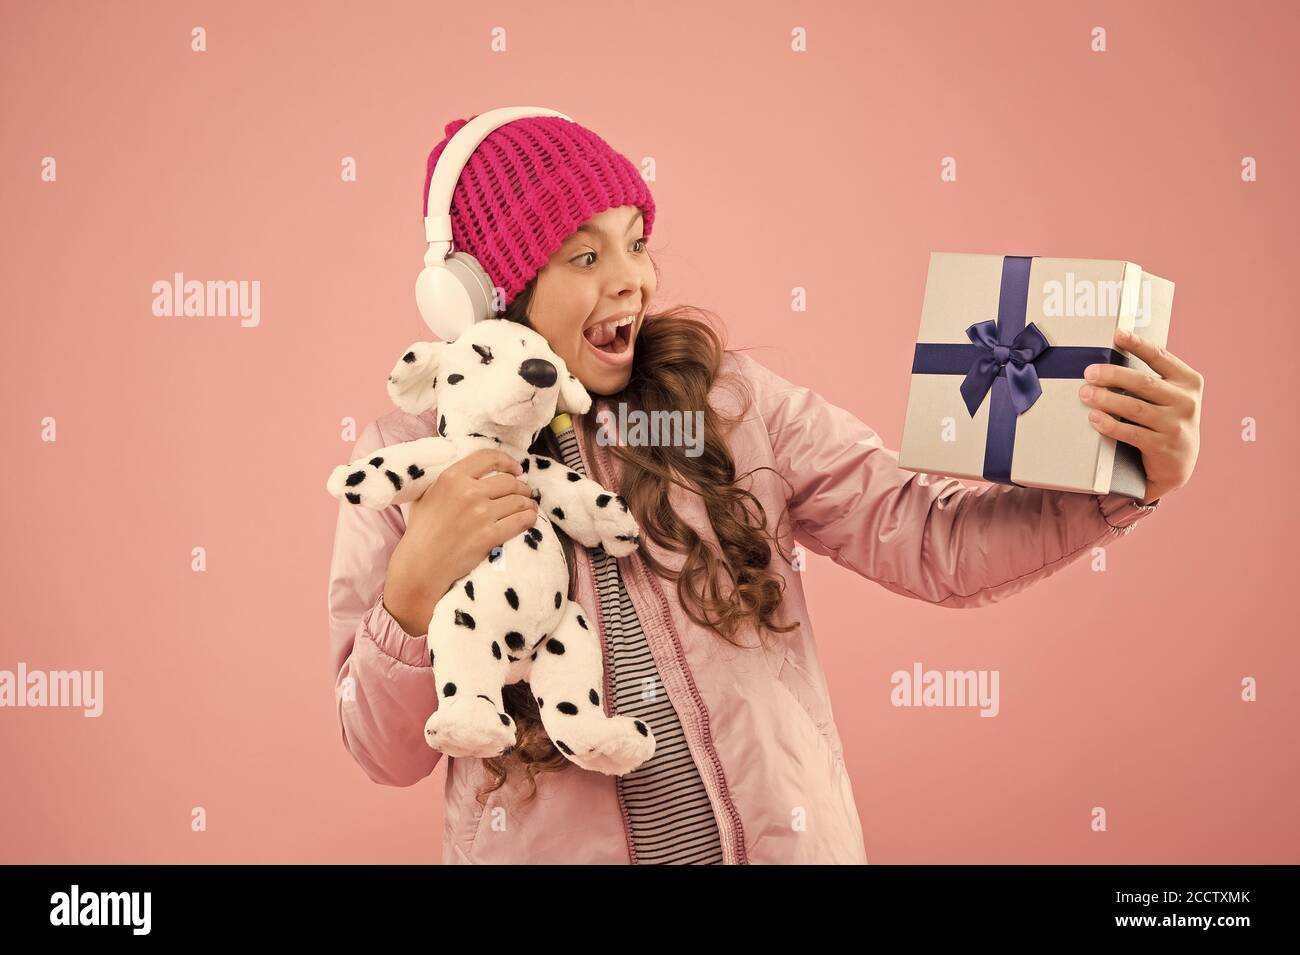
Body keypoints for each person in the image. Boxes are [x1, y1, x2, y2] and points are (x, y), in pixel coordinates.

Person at [326, 115, 1204, 864]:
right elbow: (383, 751)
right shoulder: (410, 460)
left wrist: (1119, 484)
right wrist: (411, 588)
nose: (630, 276)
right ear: (483, 297)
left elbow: (931, 537)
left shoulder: (728, 407)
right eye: (583, 254)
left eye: (635, 242)